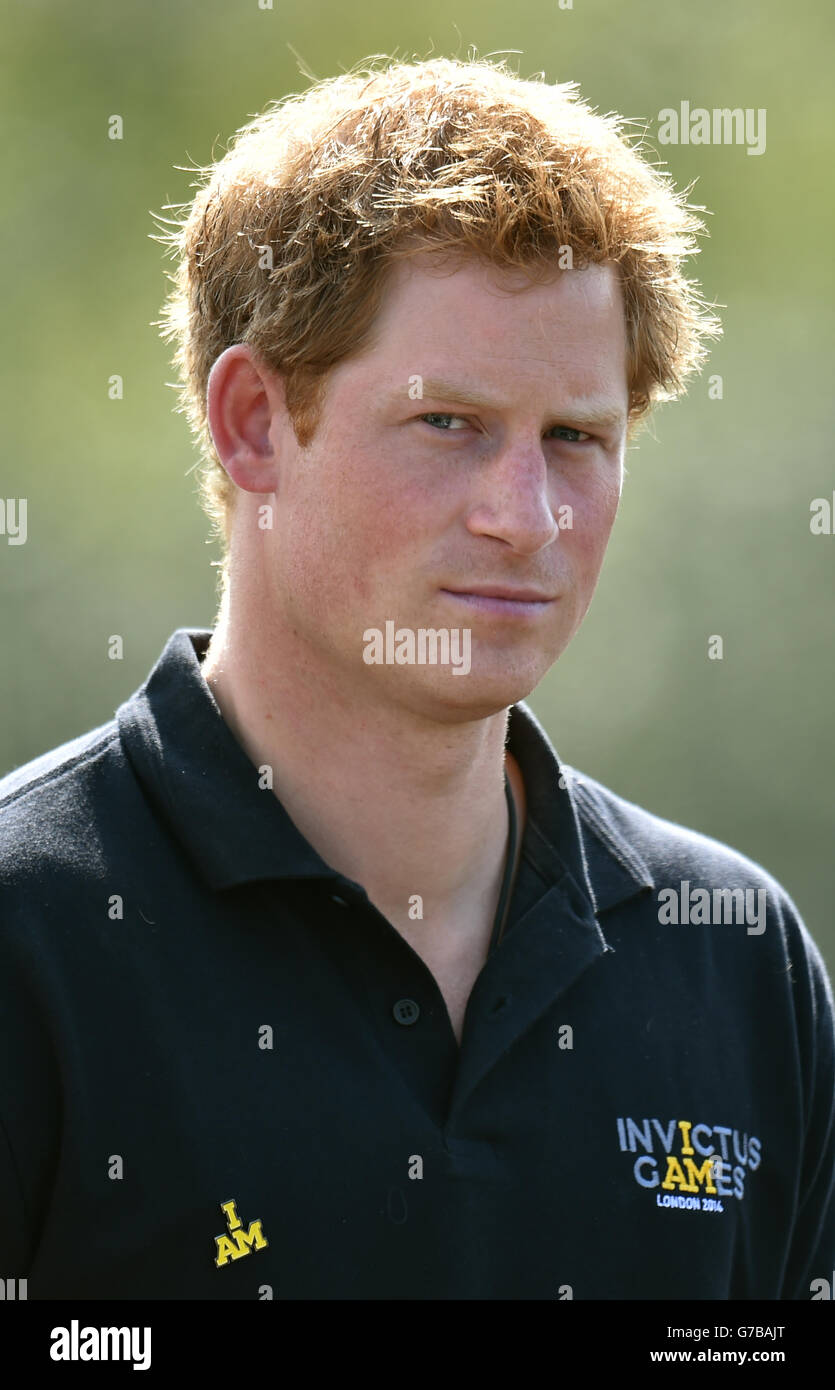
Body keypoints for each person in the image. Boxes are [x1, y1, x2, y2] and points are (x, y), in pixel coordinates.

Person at [1, 55, 832, 1302]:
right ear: (254, 425)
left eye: (575, 438)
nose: (526, 517)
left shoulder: (735, 958)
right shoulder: (31, 937)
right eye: (447, 422)